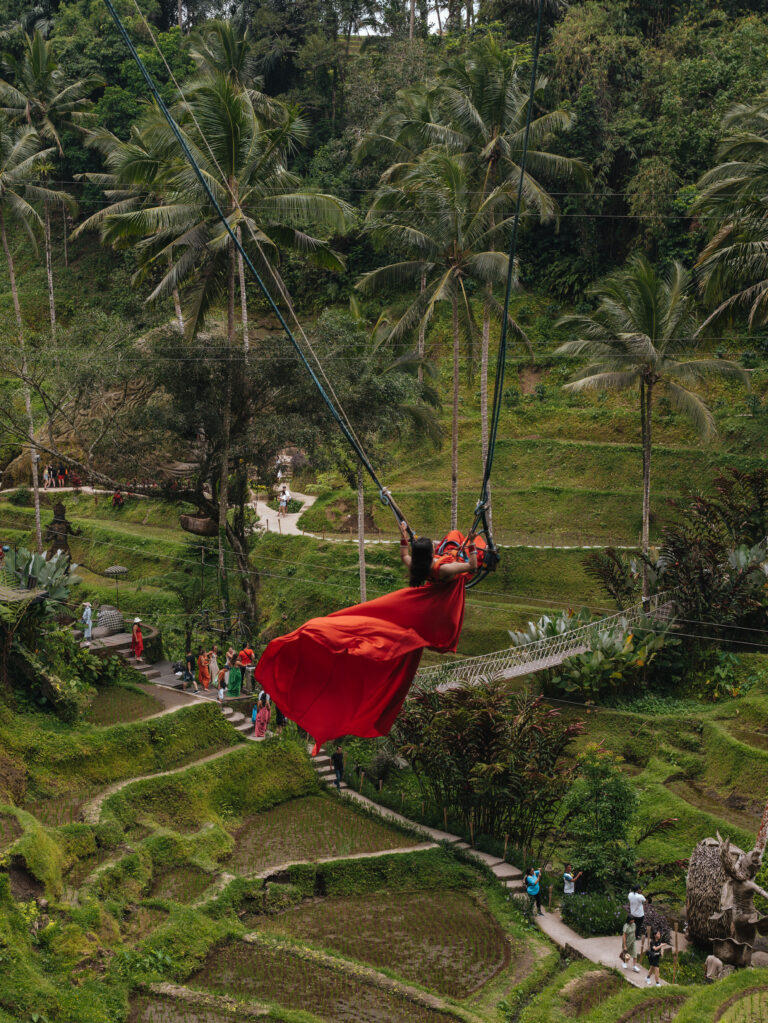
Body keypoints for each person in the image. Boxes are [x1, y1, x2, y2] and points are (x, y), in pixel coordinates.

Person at [254, 522, 482, 753]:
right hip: (431, 613)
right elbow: (472, 565)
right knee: (379, 630)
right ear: (432, 553)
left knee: (377, 622)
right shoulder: (441, 569)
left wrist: (404, 538)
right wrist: (472, 543)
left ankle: (341, 639)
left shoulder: (417, 565)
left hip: (417, 605)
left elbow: (404, 554)